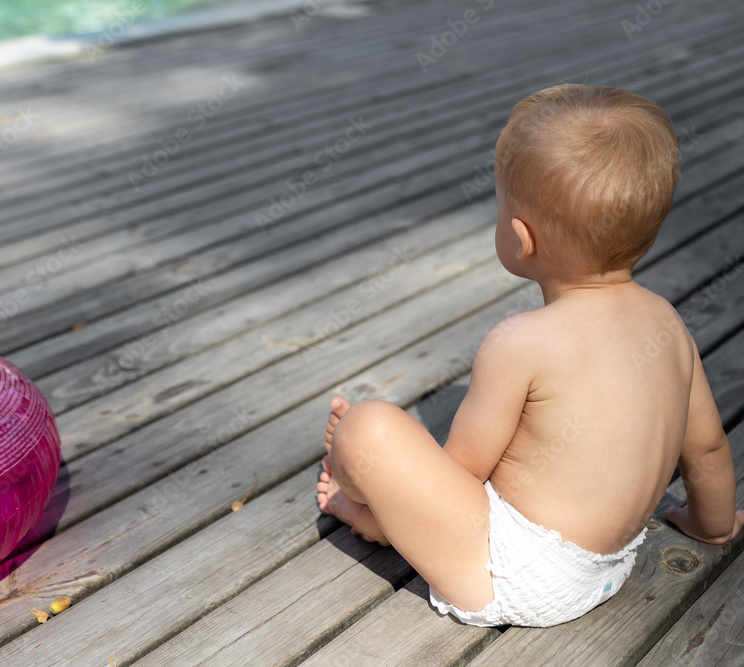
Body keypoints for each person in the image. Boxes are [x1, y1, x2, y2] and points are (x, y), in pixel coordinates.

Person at [315, 84, 743, 627]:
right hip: (610, 566)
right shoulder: (667, 323)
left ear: (520, 238)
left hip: (514, 573)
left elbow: (459, 476)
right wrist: (712, 526)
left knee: (369, 427)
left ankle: (366, 514)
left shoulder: (517, 341)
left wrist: (374, 477)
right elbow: (706, 452)